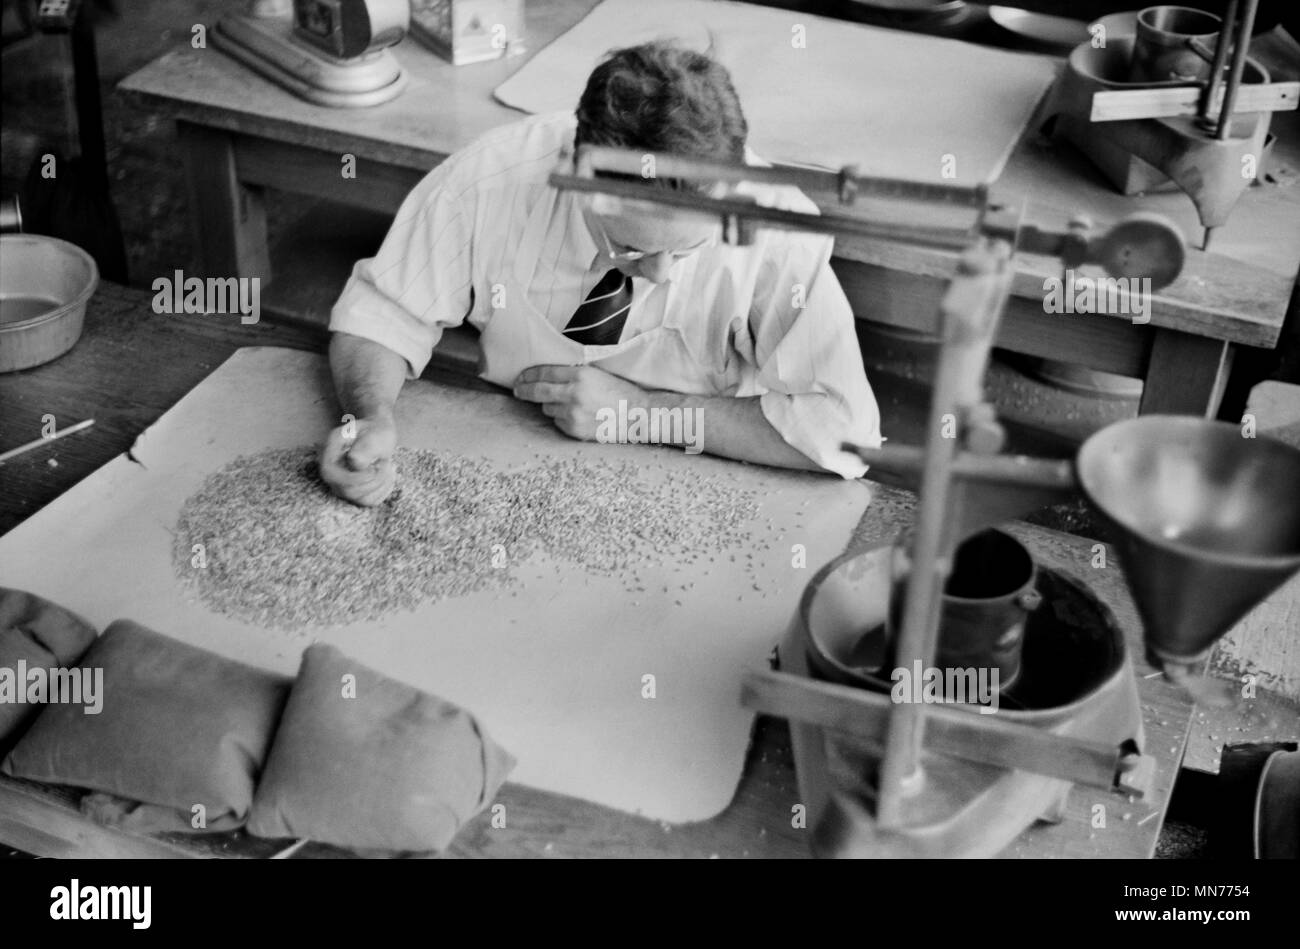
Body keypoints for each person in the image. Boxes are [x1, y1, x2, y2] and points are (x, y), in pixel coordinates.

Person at [321, 41, 881, 506]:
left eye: (684, 250)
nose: (659, 273)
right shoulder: (490, 181)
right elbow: (383, 314)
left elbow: (841, 430)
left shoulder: (775, 235)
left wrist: (640, 416)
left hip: (701, 475)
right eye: (635, 248)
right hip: (510, 459)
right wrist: (368, 418)